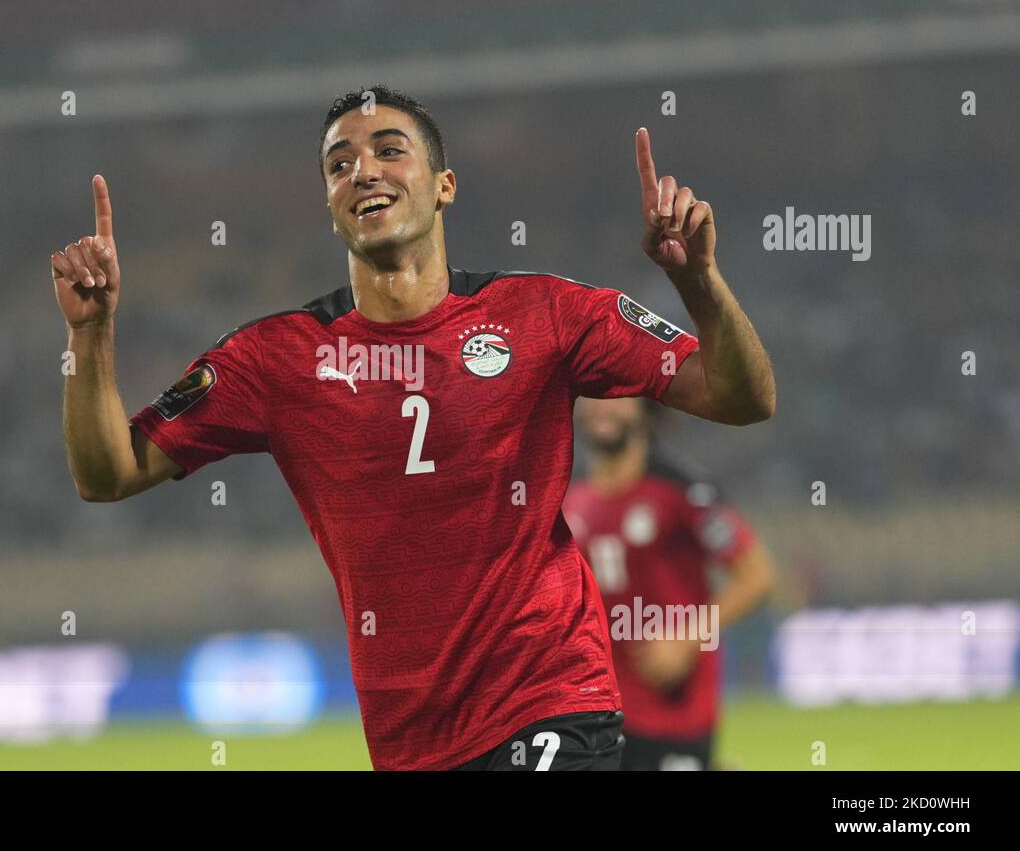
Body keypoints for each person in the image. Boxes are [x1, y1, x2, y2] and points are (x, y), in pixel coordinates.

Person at [50, 85, 775, 770]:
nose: (364, 170)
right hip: (410, 738)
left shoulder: (547, 315)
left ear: (443, 185)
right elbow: (106, 474)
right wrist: (90, 336)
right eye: (340, 164)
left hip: (551, 698)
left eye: (390, 150)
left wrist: (699, 282)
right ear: (330, 202)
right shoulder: (274, 360)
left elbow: (742, 396)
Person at [564, 397, 776, 770]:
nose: (603, 407)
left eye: (618, 397)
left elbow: (756, 575)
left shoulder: (685, 490)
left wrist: (687, 638)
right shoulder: (566, 494)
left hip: (672, 709)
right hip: (593, 709)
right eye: (593, 394)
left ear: (646, 408)